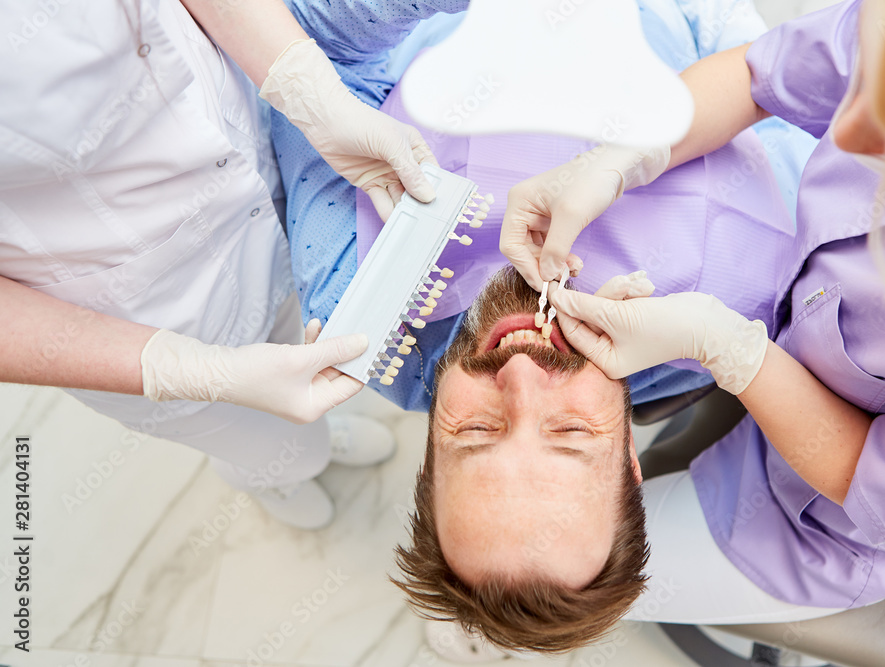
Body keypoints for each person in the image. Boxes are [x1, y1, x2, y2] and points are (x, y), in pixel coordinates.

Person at [270, 0, 819, 652]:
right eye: (570, 430)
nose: (522, 374)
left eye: (477, 429)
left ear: (427, 461)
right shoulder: (756, 281)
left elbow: (306, 53)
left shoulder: (356, 300)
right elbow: (782, 84)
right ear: (629, 462)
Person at [488, 0, 885, 656]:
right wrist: (621, 157)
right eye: (868, 76)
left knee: (545, 575)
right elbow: (758, 76)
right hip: (785, 338)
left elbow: (878, 490)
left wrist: (725, 347)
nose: (843, 127)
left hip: (813, 518)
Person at [0, 0, 441, 529]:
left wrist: (312, 96)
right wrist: (197, 372)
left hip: (247, 146)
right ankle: (272, 475)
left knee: (301, 365)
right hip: (146, 314)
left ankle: (298, 445)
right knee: (275, 444)